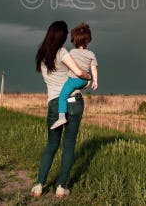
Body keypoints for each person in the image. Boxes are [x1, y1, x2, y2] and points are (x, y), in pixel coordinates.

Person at [31, 21, 92, 199]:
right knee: (68, 145)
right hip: (73, 102)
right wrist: (89, 77)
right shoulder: (62, 52)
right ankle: (61, 187)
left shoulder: (42, 56)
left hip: (53, 104)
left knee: (51, 145)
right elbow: (79, 73)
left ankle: (39, 185)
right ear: (62, 36)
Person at [51, 23, 98, 130]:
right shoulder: (91, 54)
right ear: (88, 40)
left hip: (74, 80)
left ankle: (61, 117)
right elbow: (94, 68)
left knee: (62, 96)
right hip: (83, 81)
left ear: (74, 40)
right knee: (76, 87)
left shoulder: (72, 52)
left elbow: (68, 64)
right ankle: (84, 86)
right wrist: (95, 80)